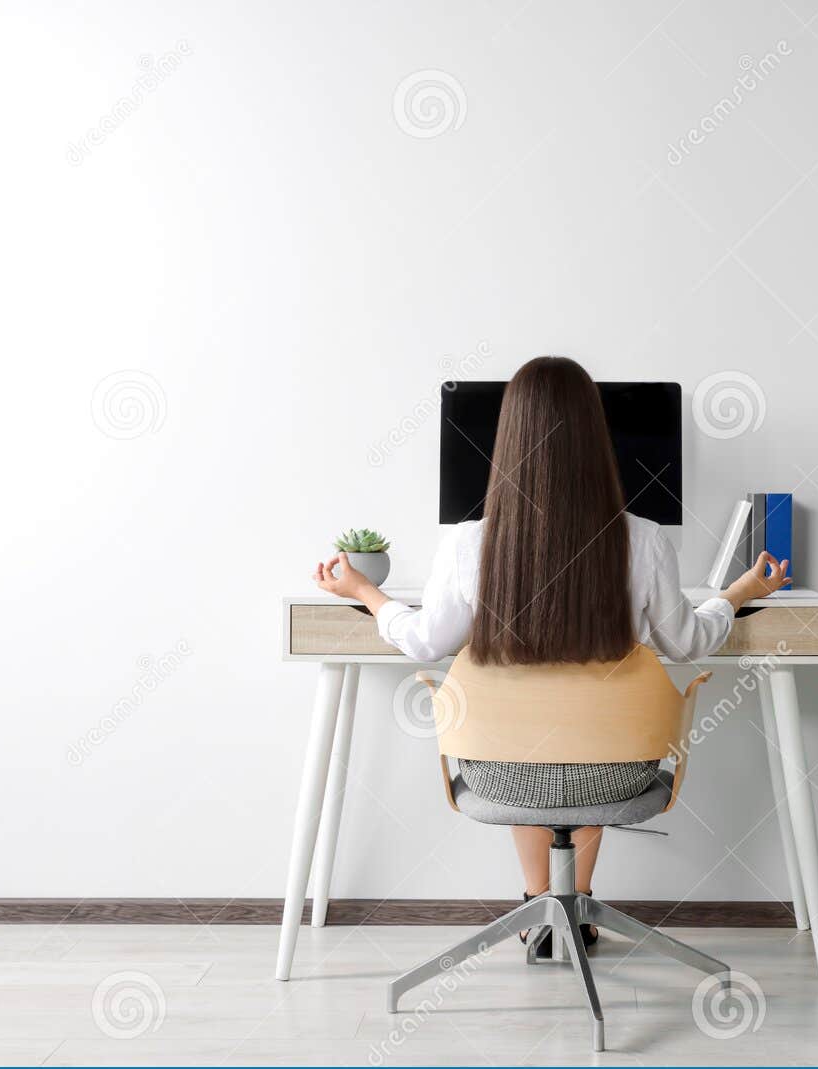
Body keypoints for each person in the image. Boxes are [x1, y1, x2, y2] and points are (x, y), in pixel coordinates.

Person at [315, 355, 790, 951]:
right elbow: (686, 642)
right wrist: (737, 593)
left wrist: (364, 592)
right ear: (598, 438)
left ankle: (541, 908)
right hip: (617, 770)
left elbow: (427, 642)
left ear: (507, 441)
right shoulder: (643, 538)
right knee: (590, 731)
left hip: (498, 770)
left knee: (528, 731)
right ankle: (575, 911)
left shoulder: (467, 543)